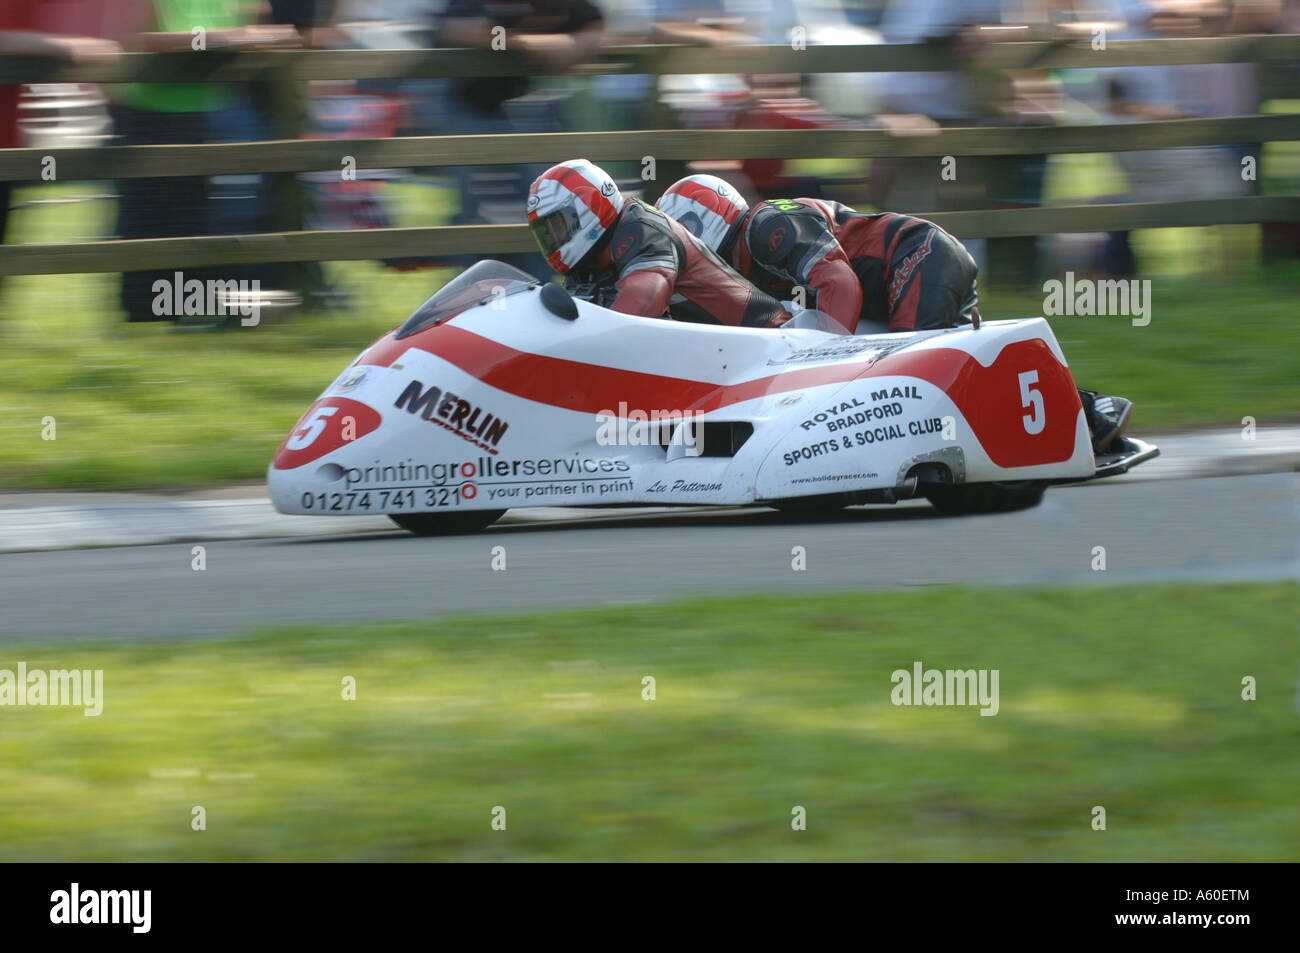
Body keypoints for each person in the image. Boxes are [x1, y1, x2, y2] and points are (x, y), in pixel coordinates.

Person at [657, 173, 1135, 452]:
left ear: (710, 222)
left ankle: (1087, 415)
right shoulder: (740, 267)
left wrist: (822, 363)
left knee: (922, 372)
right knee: (949, 374)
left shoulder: (766, 226)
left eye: (686, 237)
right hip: (886, 291)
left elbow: (838, 283)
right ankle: (1078, 409)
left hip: (917, 257)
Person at [526, 159, 792, 329]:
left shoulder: (642, 227)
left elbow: (642, 301)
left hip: (764, 339)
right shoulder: (588, 263)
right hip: (711, 354)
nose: (553, 240)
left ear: (587, 208)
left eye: (557, 227)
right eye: (545, 233)